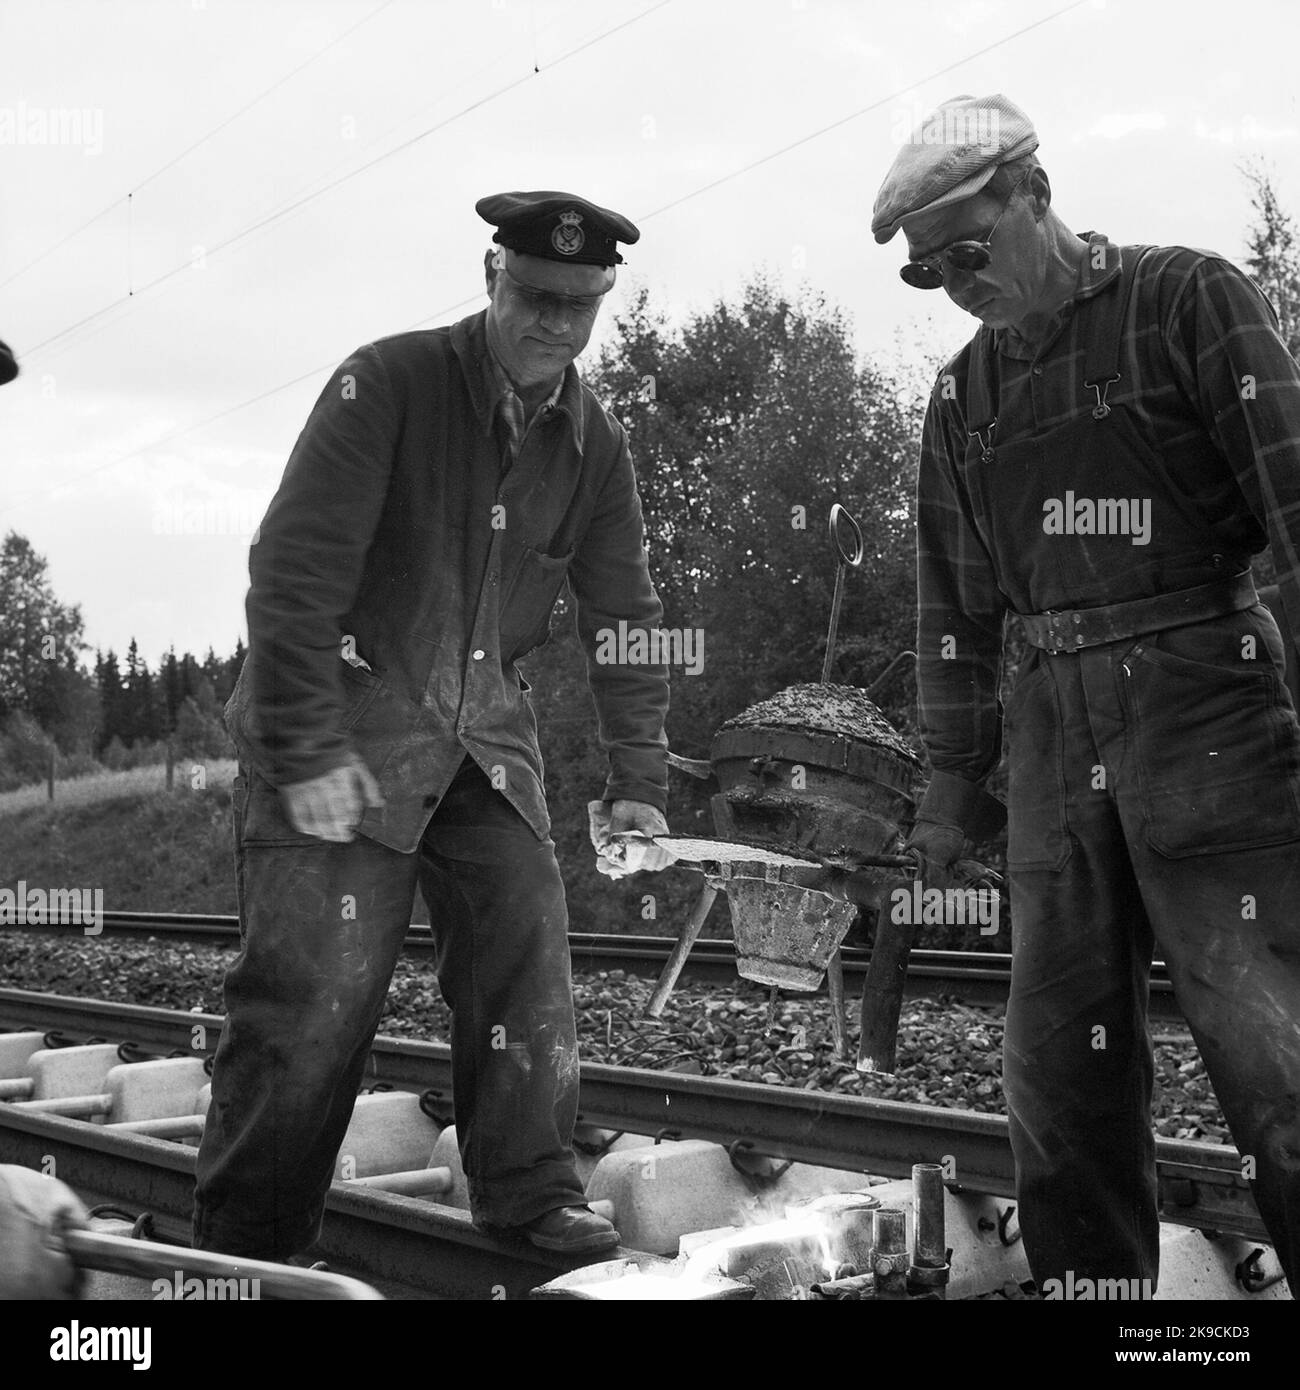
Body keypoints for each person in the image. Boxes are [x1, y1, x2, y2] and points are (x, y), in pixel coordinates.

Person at [193, 190, 674, 1261]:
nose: (555, 323)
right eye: (537, 297)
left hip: (481, 747)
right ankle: (248, 1251)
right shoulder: (391, 384)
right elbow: (293, 573)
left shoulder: (594, 446)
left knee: (525, 946)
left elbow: (626, 617)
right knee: (316, 1002)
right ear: (494, 275)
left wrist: (637, 772)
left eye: (579, 305)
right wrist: (308, 747)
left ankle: (529, 1192)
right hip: (342, 727)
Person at [872, 94, 1300, 1295]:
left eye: (968, 251)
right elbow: (950, 617)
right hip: (1052, 733)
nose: (955, 284)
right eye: (928, 273)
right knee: (1057, 1078)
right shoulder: (961, 400)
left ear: (1036, 195)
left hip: (1207, 702)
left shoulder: (1187, 303)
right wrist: (947, 802)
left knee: (1276, 1056)